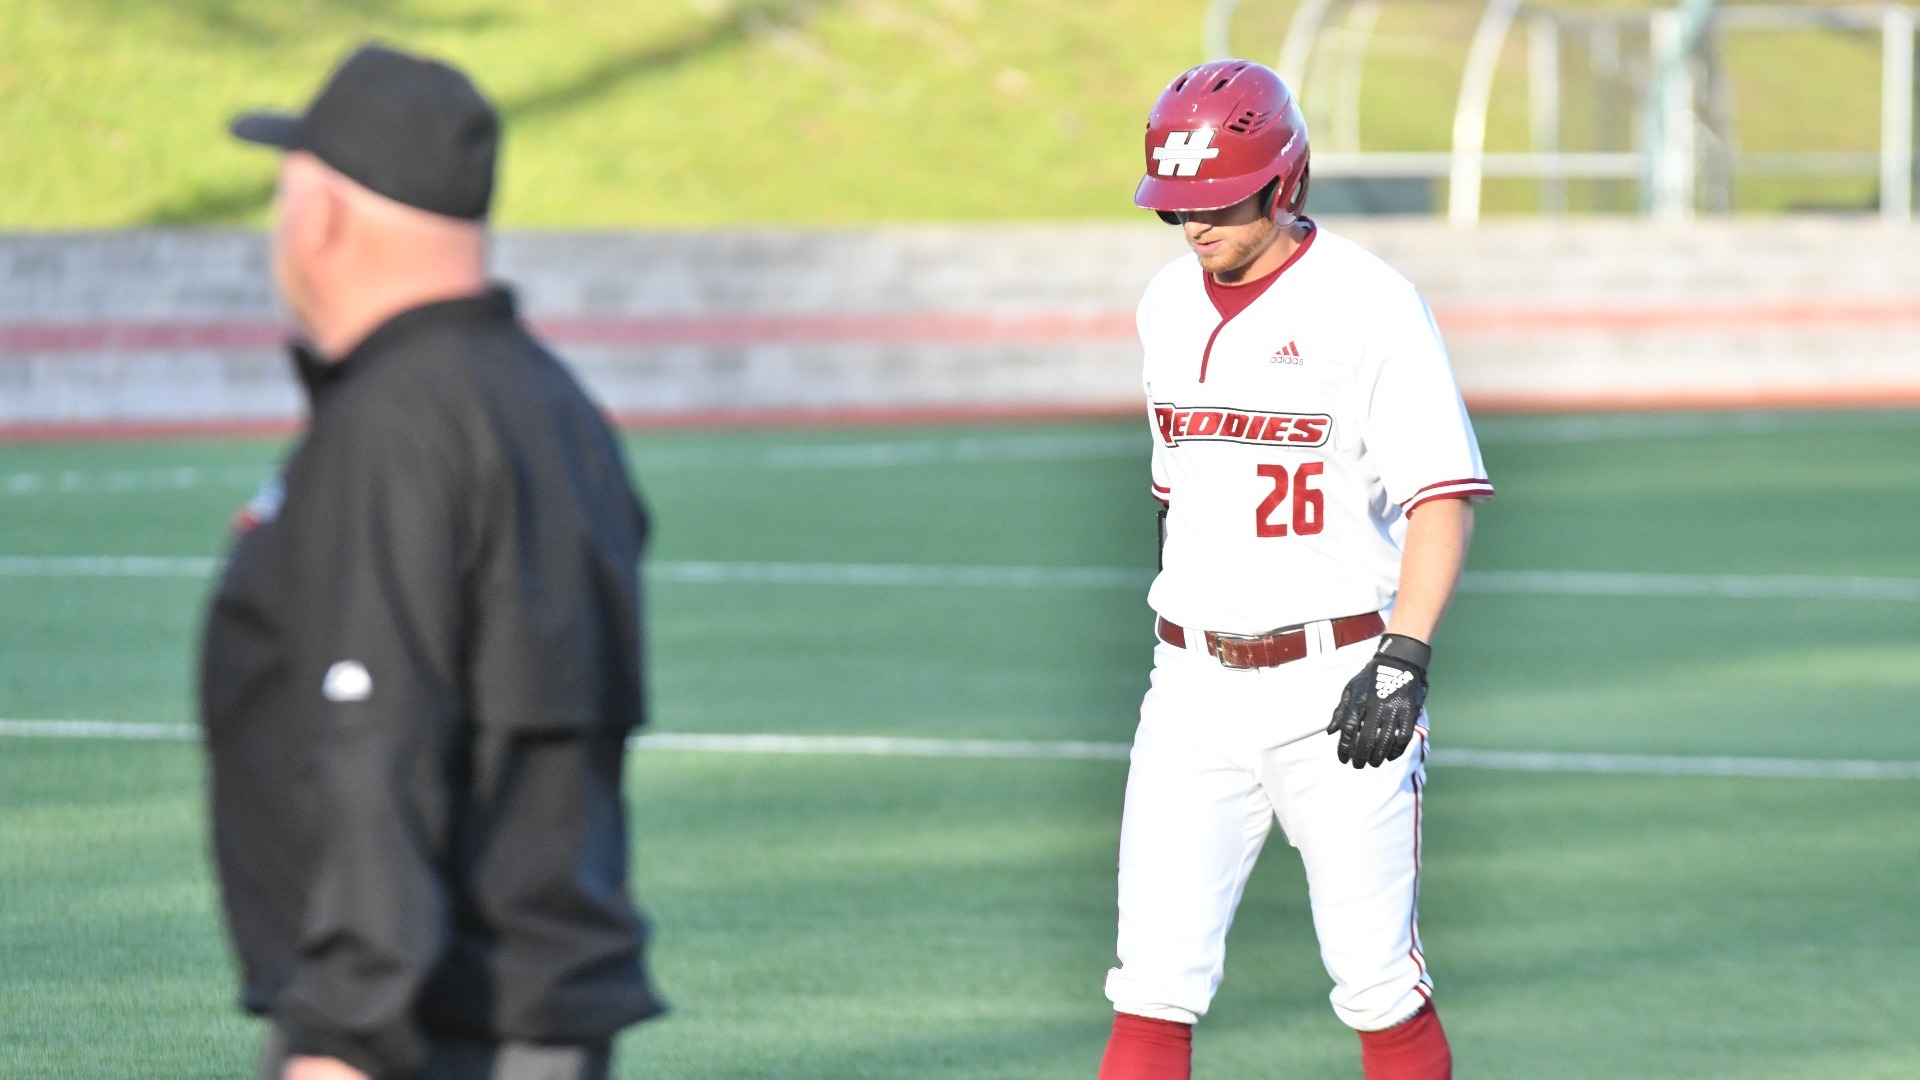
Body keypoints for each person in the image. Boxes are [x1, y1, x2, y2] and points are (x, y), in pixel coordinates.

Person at [199, 44, 665, 1080]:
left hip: (430, 1030)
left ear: (321, 213)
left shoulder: (395, 425)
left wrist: (342, 1037)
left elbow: (376, 737)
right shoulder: (553, 404)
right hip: (543, 1006)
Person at [1095, 61, 1493, 1080]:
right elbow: (1171, 491)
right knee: (1150, 984)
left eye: (1218, 200)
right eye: (1176, 205)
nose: (1195, 225)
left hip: (1339, 678)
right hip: (1190, 686)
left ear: (1284, 183)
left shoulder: (1369, 304)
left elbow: (1439, 497)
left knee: (1376, 981)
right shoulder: (1166, 306)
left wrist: (1403, 658)